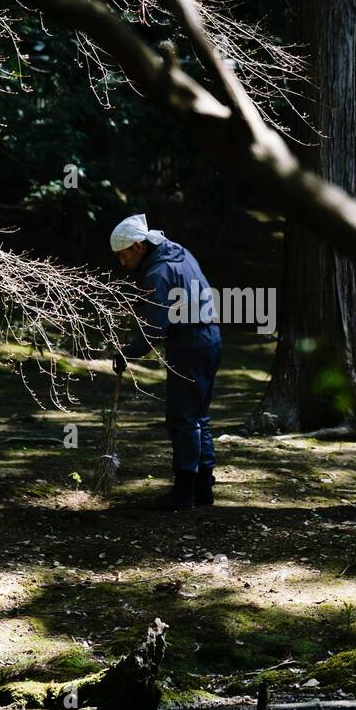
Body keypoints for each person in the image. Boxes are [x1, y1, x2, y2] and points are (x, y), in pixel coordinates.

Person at [110, 214, 221, 510]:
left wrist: (128, 353)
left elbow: (154, 327)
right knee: (199, 416)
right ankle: (202, 488)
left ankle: (184, 492)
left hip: (190, 343)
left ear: (138, 246)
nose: (123, 263)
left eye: (123, 256)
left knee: (183, 418)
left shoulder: (158, 272)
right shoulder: (179, 252)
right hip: (210, 336)